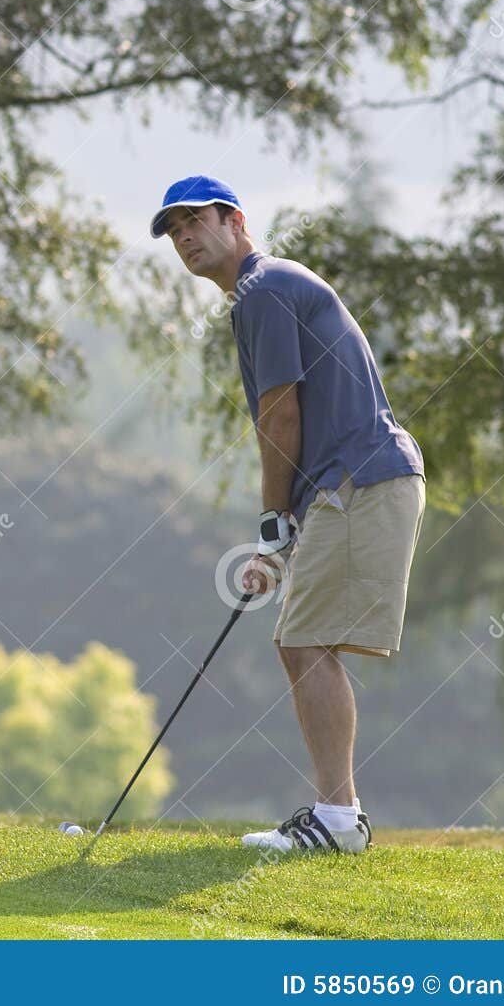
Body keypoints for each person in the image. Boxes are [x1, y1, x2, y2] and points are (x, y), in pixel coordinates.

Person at [151, 175, 426, 855]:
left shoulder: (264, 289)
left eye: (195, 221)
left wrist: (273, 525)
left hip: (360, 477)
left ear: (235, 220)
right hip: (350, 481)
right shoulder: (259, 293)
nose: (185, 237)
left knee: (305, 641)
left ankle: (338, 820)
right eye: (174, 231)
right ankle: (339, 815)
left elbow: (280, 417)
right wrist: (286, 526)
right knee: (303, 640)